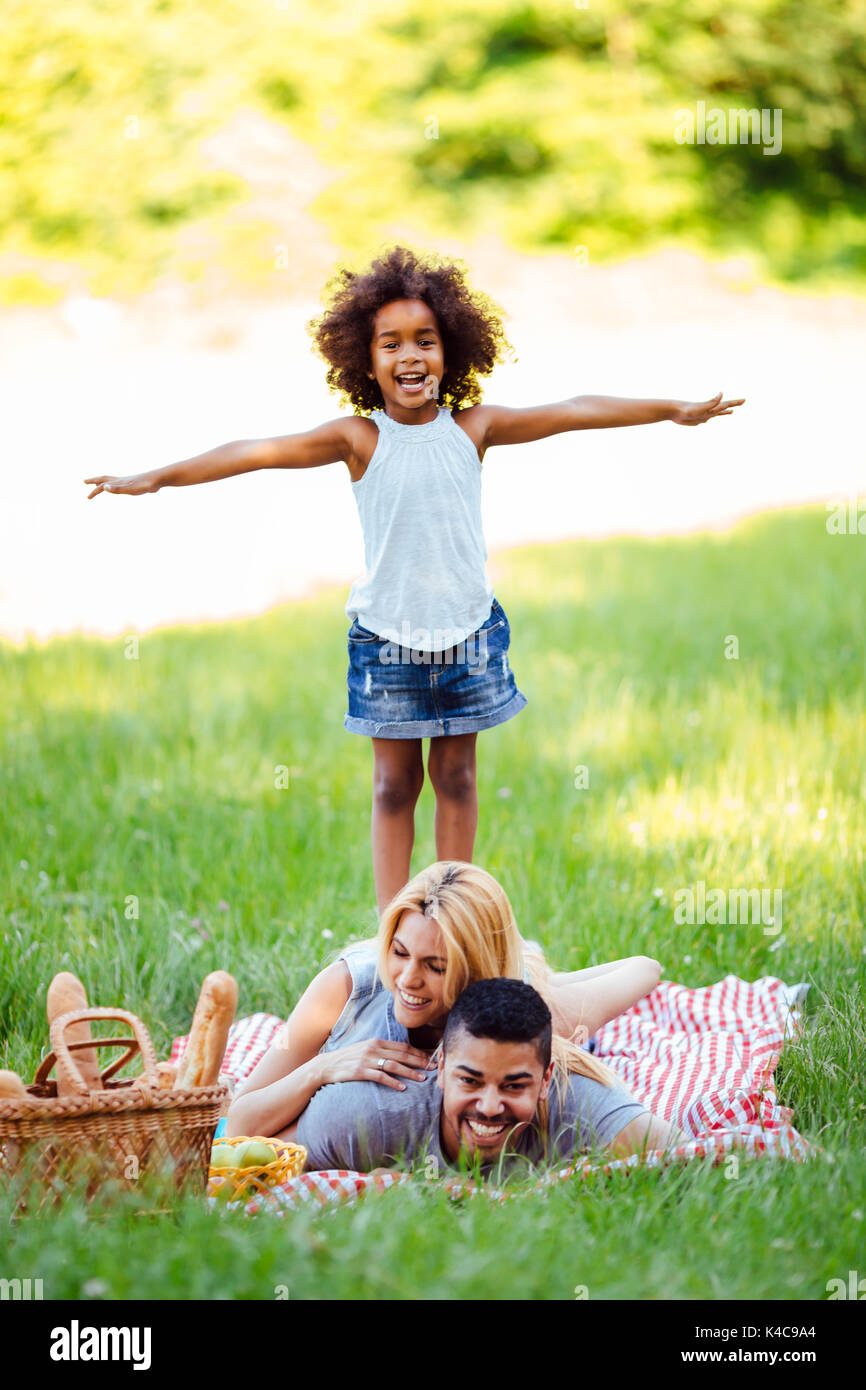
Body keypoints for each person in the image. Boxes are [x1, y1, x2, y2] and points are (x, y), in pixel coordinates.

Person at [83, 244, 745, 912]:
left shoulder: (475, 428)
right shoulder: (358, 440)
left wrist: (670, 408)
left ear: (450, 350)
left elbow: (574, 408)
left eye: (425, 342)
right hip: (386, 642)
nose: (410, 358)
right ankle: (396, 930)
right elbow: (256, 452)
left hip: (469, 635)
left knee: (456, 776)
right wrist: (158, 477)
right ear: (365, 362)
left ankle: (451, 921)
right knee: (393, 788)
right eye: (391, 344)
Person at [224, 860, 661, 1140]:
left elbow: (645, 968)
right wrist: (322, 1069)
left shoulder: (515, 1017)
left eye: (436, 967)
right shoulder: (345, 988)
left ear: (474, 970)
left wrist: (537, 981)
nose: (408, 980)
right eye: (399, 953)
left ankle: (528, 960)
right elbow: (238, 1123)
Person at [292, 977, 683, 1174]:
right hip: (363, 994)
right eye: (470, 1081)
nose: (491, 1107)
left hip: (552, 1002)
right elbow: (253, 1159)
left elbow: (690, 1161)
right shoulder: (366, 1113)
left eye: (514, 1085)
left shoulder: (579, 1102)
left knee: (642, 972)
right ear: (441, 1066)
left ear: (546, 1080)